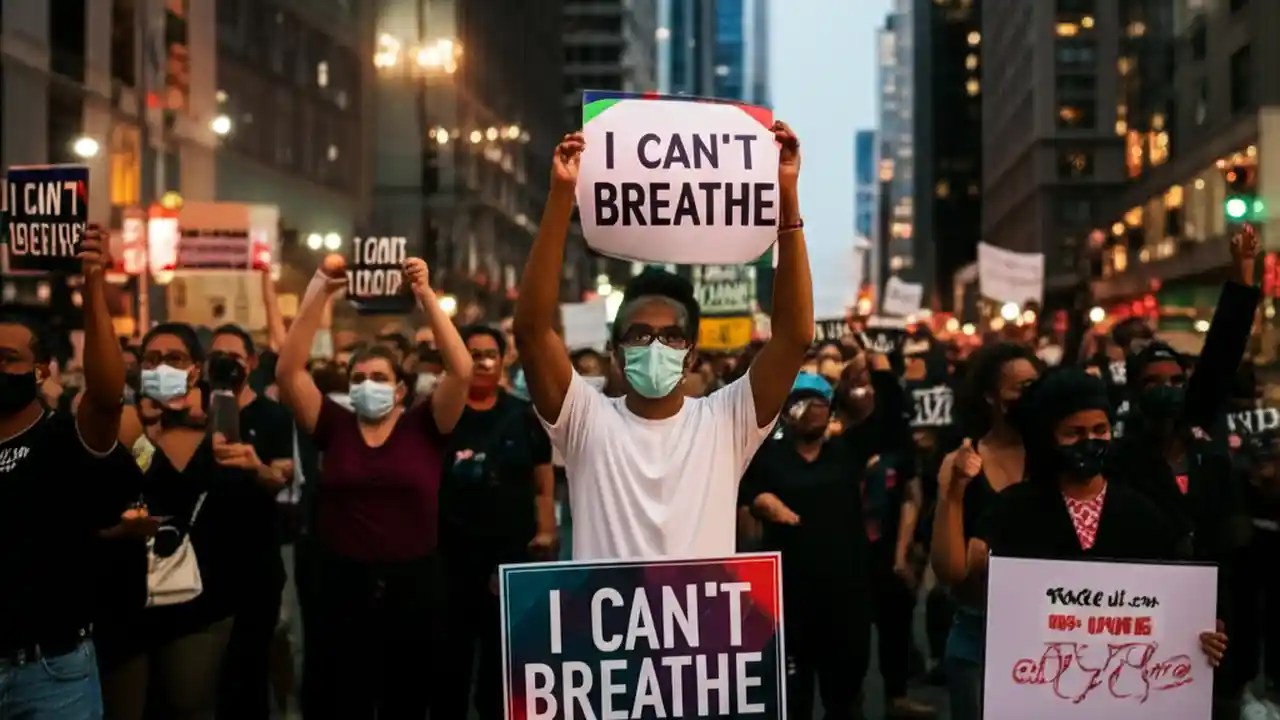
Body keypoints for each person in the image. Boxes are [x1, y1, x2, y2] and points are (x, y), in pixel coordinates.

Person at [514, 123, 813, 560]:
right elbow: (531, 331)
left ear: (691, 354)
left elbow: (794, 336)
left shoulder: (725, 422)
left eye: (672, 337)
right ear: (615, 352)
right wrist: (562, 196)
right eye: (639, 334)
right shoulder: (584, 421)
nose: (655, 346)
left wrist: (787, 197)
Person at [276, 257, 472, 717]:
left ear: (401, 390)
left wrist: (425, 295)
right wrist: (320, 288)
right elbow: (288, 372)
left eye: (380, 378)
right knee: (343, 699)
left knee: (407, 700)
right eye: (359, 378)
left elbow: (461, 371)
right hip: (341, 583)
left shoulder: (426, 425)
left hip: (414, 584)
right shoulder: (334, 425)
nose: (368, 385)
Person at [975, 368, 1228, 666]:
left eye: (1100, 430)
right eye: (1074, 433)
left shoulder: (1142, 511)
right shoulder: (1014, 509)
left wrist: (1200, 633)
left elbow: (1175, 597)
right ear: (1047, 438)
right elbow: (973, 586)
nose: (1090, 441)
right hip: (1036, 676)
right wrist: (950, 496)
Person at [102, 321, 286, 720]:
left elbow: (257, 495)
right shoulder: (126, 420)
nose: (162, 367)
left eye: (174, 358)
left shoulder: (221, 422)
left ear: (195, 369)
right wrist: (149, 429)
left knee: (190, 705)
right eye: (152, 359)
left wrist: (257, 468)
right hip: (128, 594)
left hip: (201, 598)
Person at [1110, 226, 1259, 719]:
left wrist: (1242, 274)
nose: (1167, 389)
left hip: (1219, 615)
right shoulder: (1119, 457)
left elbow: (1222, 351)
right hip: (1149, 618)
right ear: (1134, 392)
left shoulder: (1201, 433)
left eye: (1176, 380)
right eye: (1153, 382)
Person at [0, 228, 136, 719]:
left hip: (51, 674)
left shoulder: (63, 437)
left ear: (41, 371)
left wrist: (94, 283)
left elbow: (107, 395)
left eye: (8, 359)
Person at [438, 325, 557, 719]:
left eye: (491, 354)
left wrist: (546, 531)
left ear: (504, 360)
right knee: (450, 662)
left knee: (502, 662)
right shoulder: (441, 413)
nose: (483, 362)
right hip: (450, 556)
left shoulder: (523, 415)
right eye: (473, 354)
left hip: (509, 558)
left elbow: (543, 483)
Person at [742, 374, 870, 720]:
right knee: (793, 698)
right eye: (804, 402)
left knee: (844, 700)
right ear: (785, 413)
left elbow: (884, 421)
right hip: (789, 597)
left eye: (821, 402)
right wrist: (758, 499)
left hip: (845, 596)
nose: (814, 409)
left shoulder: (846, 452)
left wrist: (870, 366)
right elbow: (741, 487)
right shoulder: (767, 457)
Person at [929, 342, 1040, 720]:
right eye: (1019, 389)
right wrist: (954, 491)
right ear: (991, 396)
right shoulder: (962, 460)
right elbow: (949, 571)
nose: (1030, 397)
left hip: (1047, 630)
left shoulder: (1057, 458)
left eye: (1035, 386)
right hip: (979, 633)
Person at [206, 324, 295, 720]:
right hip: (205, 563)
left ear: (252, 363)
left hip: (256, 562)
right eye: (217, 358)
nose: (226, 365)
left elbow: (281, 478)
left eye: (234, 358)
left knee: (249, 671)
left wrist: (255, 465)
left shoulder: (274, 416)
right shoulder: (197, 410)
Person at [838, 358, 934, 718]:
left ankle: (898, 696)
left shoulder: (897, 440)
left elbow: (911, 497)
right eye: (854, 382)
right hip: (848, 551)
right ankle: (848, 702)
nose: (861, 390)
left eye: (868, 383)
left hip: (889, 545)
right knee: (850, 635)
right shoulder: (839, 442)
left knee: (897, 623)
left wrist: (901, 553)